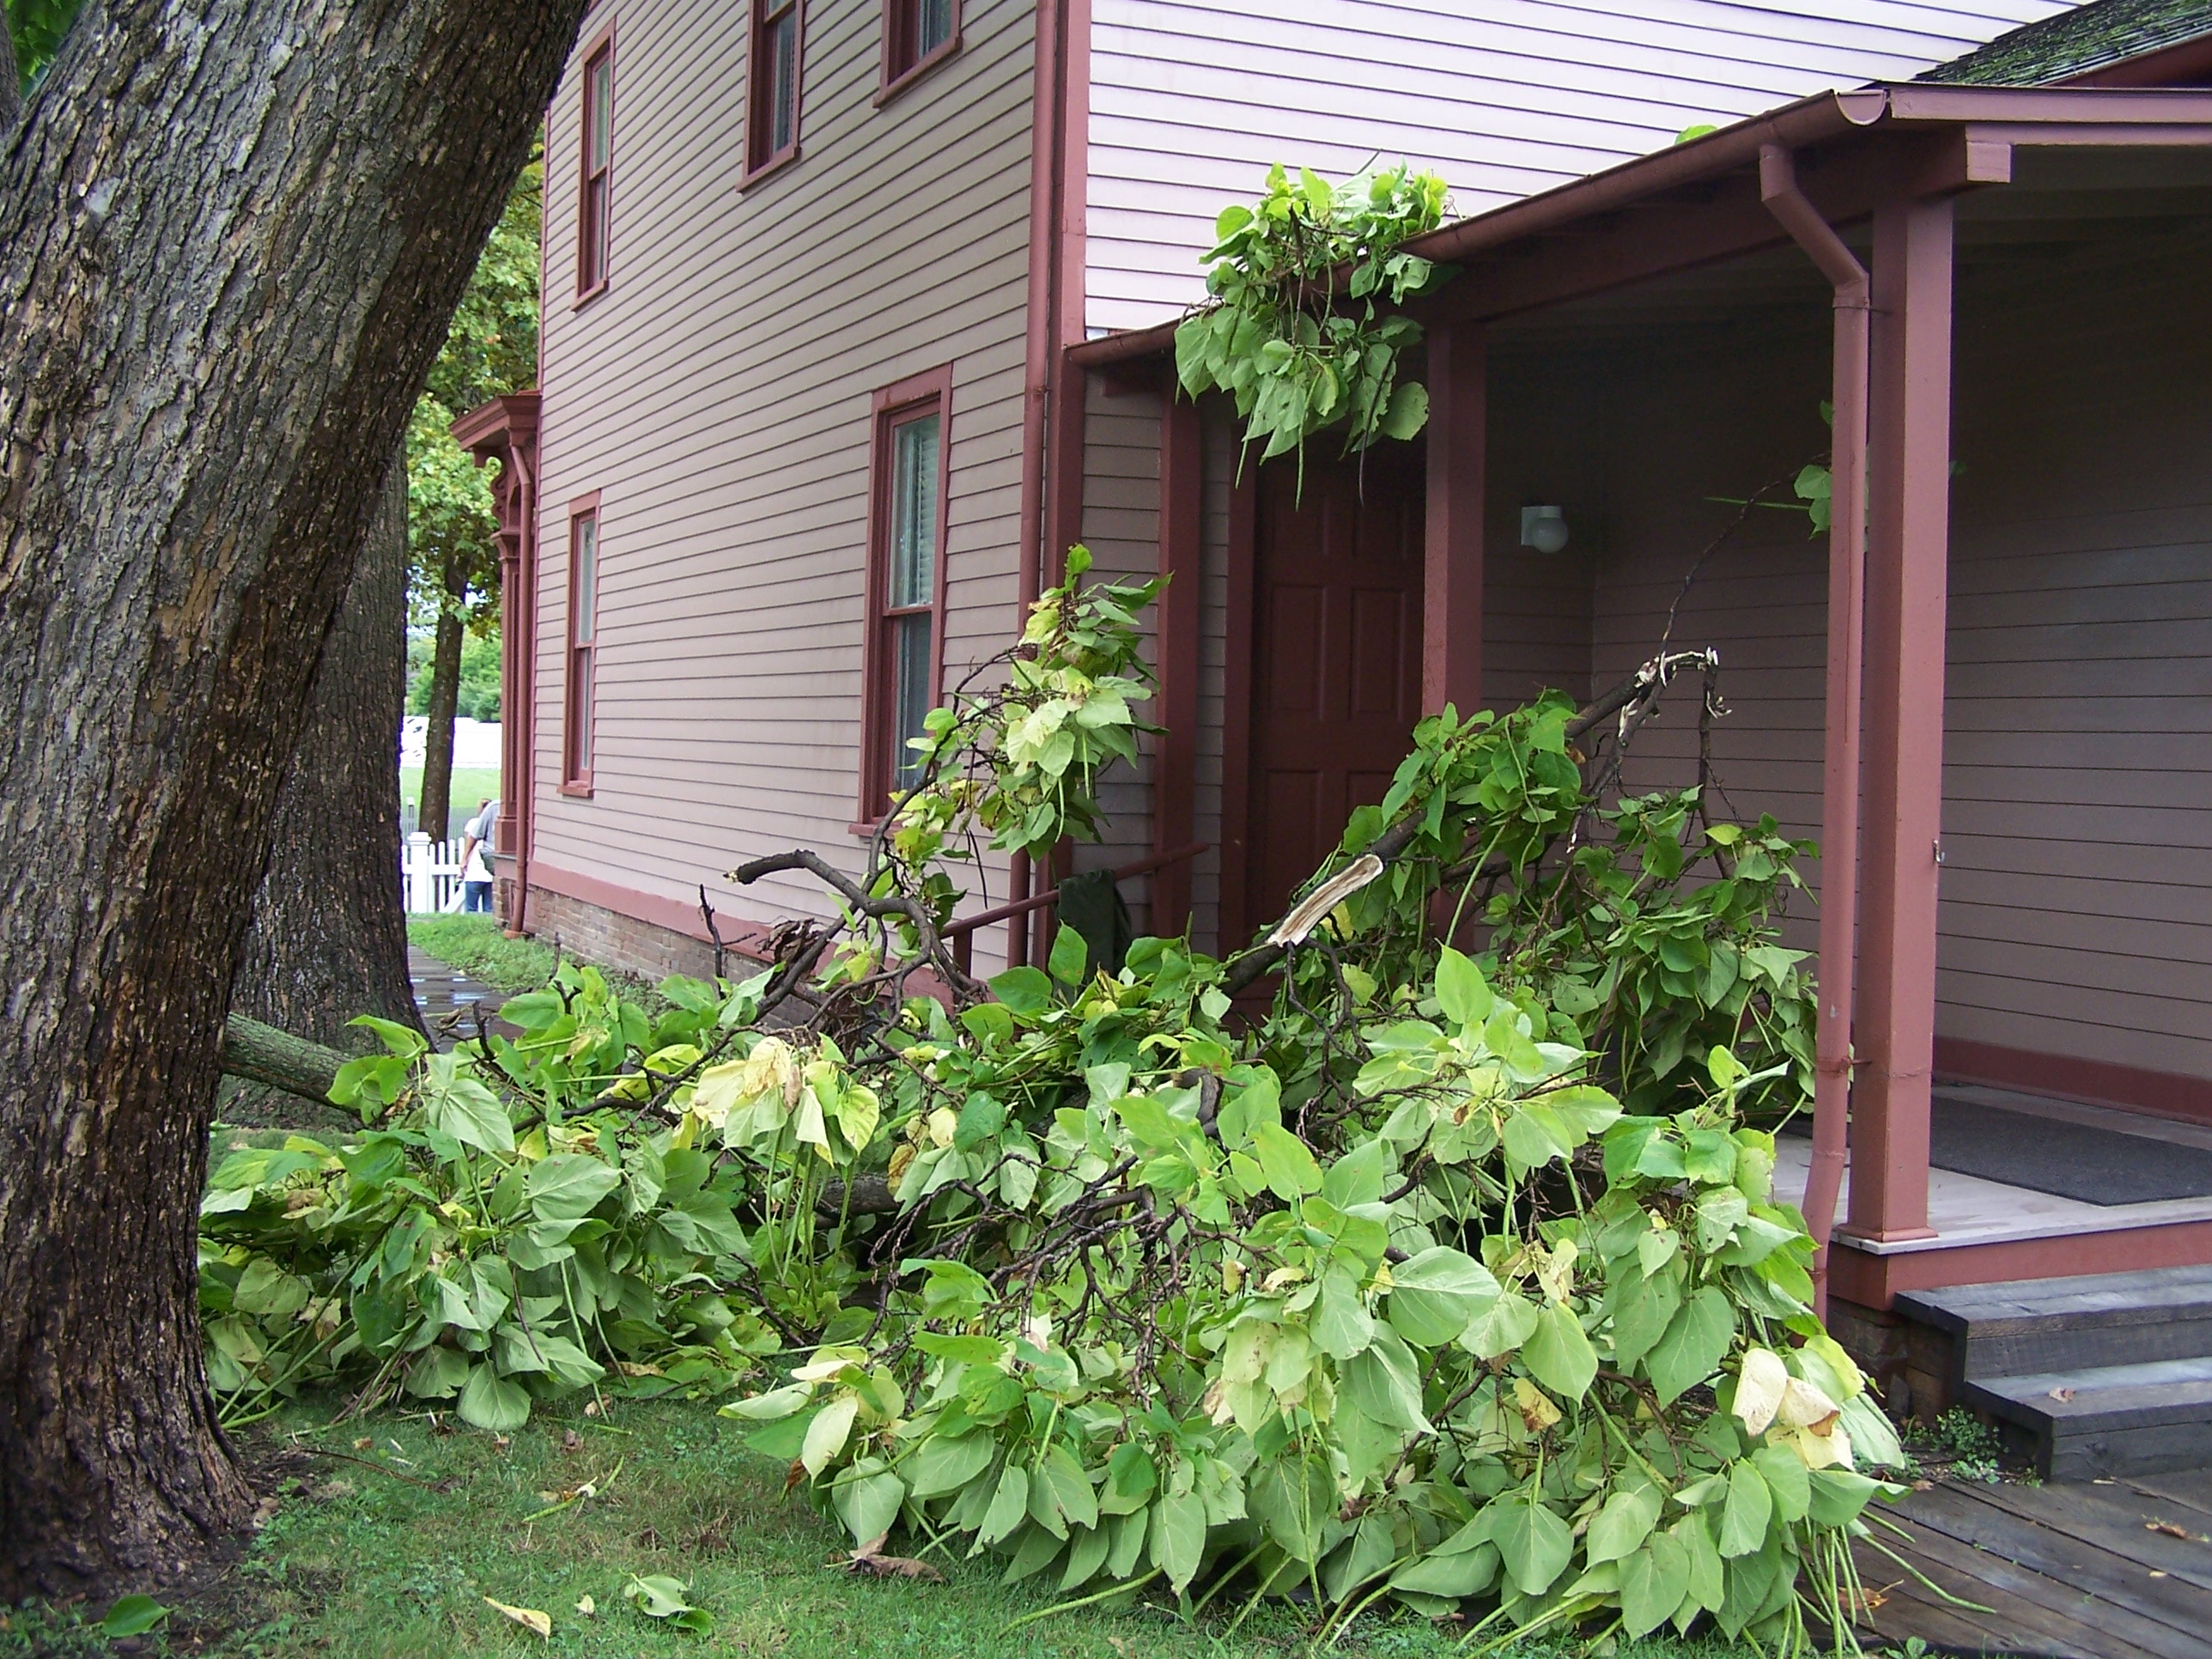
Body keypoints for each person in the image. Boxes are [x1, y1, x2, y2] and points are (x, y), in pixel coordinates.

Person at [459, 798, 498, 914]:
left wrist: (464, 862)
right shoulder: (496, 820)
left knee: (471, 909)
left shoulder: (472, 823)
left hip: (474, 873)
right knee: (489, 909)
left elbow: (470, 841)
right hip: (490, 872)